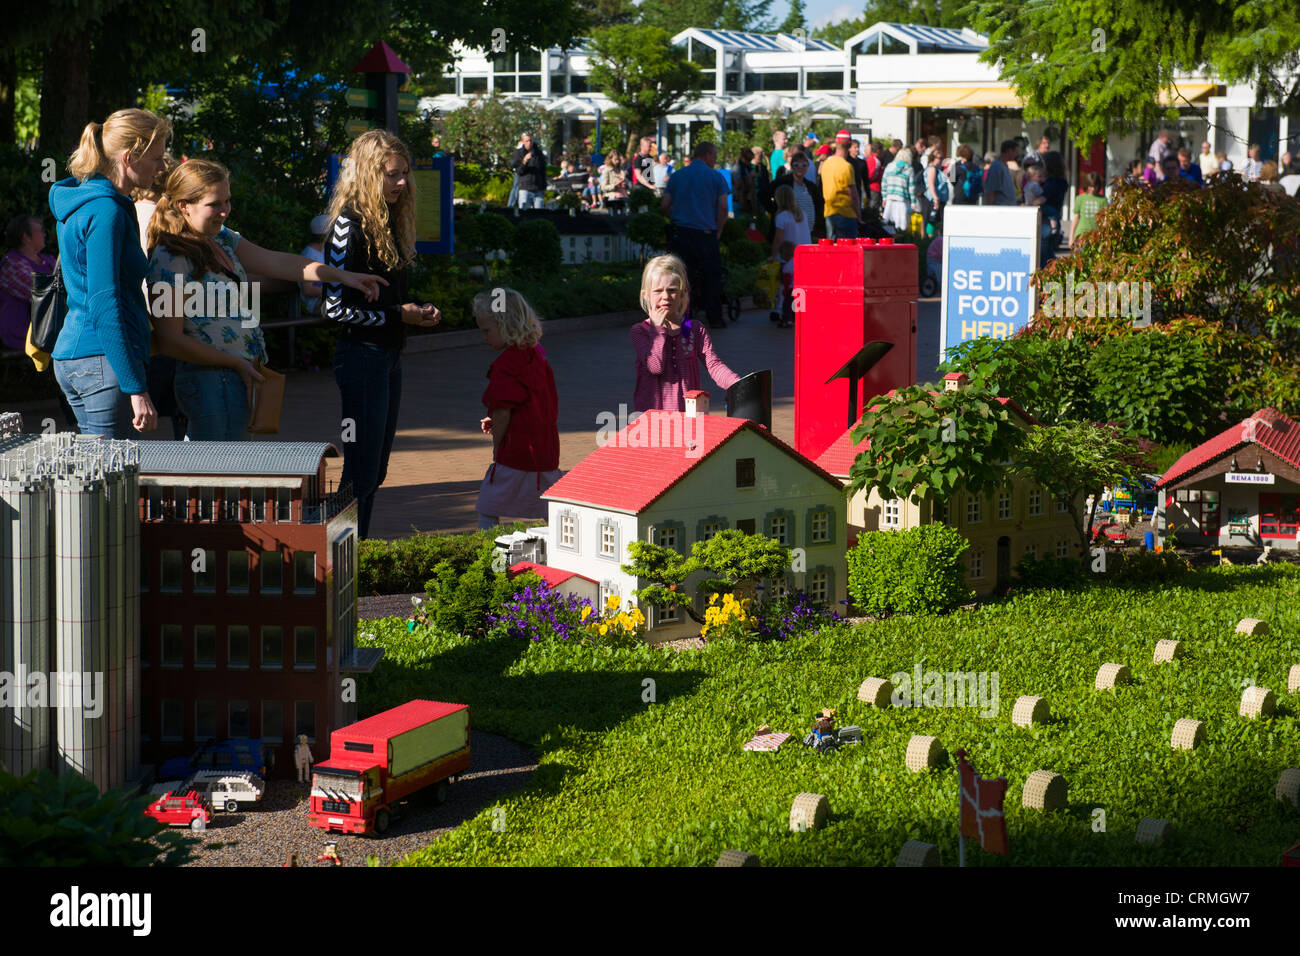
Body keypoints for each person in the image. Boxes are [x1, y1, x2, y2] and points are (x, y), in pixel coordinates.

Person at [146, 159, 384, 442]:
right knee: (218, 474)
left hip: (236, 374)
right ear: (184, 205)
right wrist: (235, 364)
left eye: (228, 201)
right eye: (214, 204)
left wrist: (344, 277)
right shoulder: (169, 257)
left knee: (228, 470)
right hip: (210, 379)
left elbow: (277, 261)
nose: (224, 211)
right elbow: (169, 340)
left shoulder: (220, 238)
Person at [325, 130, 442, 539]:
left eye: (405, 174)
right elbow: (333, 308)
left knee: (375, 470)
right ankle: (340, 560)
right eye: (392, 175)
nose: (402, 183)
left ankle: (356, 556)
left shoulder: (387, 220)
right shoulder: (348, 225)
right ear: (369, 175)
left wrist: (414, 312)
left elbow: (385, 302)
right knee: (360, 471)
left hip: (387, 357)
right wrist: (398, 316)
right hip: (361, 358)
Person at [48, 108, 172, 438]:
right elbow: (104, 301)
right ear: (130, 157)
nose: (162, 167)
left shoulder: (81, 200)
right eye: (157, 158)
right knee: (111, 479)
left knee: (96, 475)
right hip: (102, 361)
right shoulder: (107, 211)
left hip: (75, 356)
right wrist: (137, 388)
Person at [472, 287, 562, 531]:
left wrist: (497, 444)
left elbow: (503, 411)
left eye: (487, 330)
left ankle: (485, 548)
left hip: (516, 451)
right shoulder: (537, 357)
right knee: (551, 505)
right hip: (545, 450)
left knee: (488, 505)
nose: (484, 337)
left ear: (505, 326)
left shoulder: (506, 365)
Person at [630, 254, 739, 413]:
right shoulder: (640, 331)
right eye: (658, 291)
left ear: (683, 294)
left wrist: (737, 384)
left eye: (672, 290)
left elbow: (713, 365)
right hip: (653, 418)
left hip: (690, 415)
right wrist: (658, 330)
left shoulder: (692, 328)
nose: (665, 296)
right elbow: (655, 367)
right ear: (645, 295)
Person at [663, 141, 729, 331]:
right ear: (707, 155)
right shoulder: (715, 178)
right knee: (712, 276)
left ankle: (683, 317)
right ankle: (714, 317)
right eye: (714, 156)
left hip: (681, 234)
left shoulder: (677, 176)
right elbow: (723, 208)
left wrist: (675, 219)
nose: (715, 160)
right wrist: (719, 230)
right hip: (706, 234)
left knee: (682, 277)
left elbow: (664, 206)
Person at [1, 215, 56, 351]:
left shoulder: (48, 260)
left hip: (49, 335)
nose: (44, 234)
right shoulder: (12, 264)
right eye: (41, 230)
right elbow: (41, 295)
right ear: (26, 237)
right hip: (23, 338)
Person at [769, 185, 811, 329]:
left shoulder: (782, 216)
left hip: (788, 256)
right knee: (800, 288)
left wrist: (773, 255)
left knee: (785, 287)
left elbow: (778, 238)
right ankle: (799, 313)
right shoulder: (801, 214)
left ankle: (781, 311)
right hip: (804, 255)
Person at [762, 150, 823, 240]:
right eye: (796, 165)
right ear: (792, 166)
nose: (800, 168)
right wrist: (775, 209)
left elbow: (819, 204)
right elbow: (763, 194)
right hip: (787, 232)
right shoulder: (783, 182)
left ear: (807, 167)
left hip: (807, 231)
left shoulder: (811, 186)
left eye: (804, 165)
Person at [820, 138, 860, 240]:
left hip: (830, 212)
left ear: (836, 144)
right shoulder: (846, 166)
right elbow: (853, 194)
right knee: (848, 252)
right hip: (846, 214)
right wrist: (858, 215)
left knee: (832, 250)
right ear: (849, 146)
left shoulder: (826, 164)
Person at [299, 214, 330, 316]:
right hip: (317, 305)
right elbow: (308, 289)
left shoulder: (324, 251)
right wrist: (332, 292)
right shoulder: (309, 254)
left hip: (326, 301)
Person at [1069, 172, 1107, 248]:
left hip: (1096, 235)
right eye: (1090, 186)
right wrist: (1071, 237)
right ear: (1086, 185)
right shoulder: (1080, 198)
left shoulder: (1103, 199)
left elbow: (1105, 219)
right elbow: (1076, 218)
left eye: (1094, 186)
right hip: (1081, 234)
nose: (1092, 189)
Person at [512, 132, 548, 209]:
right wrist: (524, 161)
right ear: (523, 142)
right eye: (527, 141)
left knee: (539, 213)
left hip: (538, 188)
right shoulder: (518, 153)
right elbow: (519, 171)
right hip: (525, 188)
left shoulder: (539, 153)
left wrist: (544, 187)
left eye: (531, 140)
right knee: (525, 213)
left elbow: (543, 171)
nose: (529, 143)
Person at [881, 148, 914, 231]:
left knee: (887, 225)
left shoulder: (889, 166)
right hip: (903, 201)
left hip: (890, 199)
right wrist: (913, 202)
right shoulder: (909, 169)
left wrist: (884, 197)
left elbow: (884, 183)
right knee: (902, 225)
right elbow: (912, 188)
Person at [921, 147, 949, 235]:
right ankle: (929, 240)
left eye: (942, 158)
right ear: (933, 158)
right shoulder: (932, 169)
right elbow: (931, 184)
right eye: (939, 158)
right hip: (932, 200)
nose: (941, 160)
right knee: (932, 221)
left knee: (935, 221)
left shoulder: (937, 169)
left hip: (937, 199)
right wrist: (935, 198)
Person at [982, 140, 1019, 206]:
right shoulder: (996, 167)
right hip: (1001, 209)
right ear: (1009, 151)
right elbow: (991, 191)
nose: (1016, 155)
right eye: (1015, 152)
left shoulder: (1004, 165)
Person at [731, 147, 758, 216]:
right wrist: (749, 177)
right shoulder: (737, 168)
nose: (749, 162)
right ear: (743, 158)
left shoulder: (747, 168)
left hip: (748, 202)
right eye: (748, 160)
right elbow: (737, 184)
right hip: (739, 202)